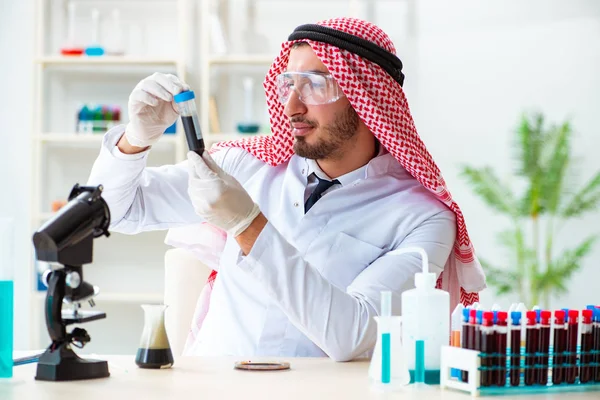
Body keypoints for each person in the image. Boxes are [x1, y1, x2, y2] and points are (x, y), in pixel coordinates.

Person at [87, 17, 486, 361]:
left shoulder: (422, 217)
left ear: (366, 98)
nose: (292, 105)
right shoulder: (246, 165)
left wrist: (247, 224)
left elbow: (352, 333)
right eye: (288, 84)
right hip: (210, 382)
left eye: (314, 85)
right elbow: (115, 211)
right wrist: (134, 142)